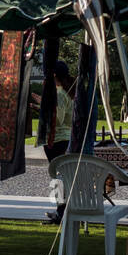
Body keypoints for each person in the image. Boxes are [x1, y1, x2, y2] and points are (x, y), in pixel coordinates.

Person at [43, 61, 76, 224]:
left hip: (57, 140)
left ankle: (60, 212)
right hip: (64, 138)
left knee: (57, 179)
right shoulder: (67, 91)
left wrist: (40, 109)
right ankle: (61, 210)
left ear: (53, 75)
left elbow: (58, 118)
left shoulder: (59, 93)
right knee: (61, 178)